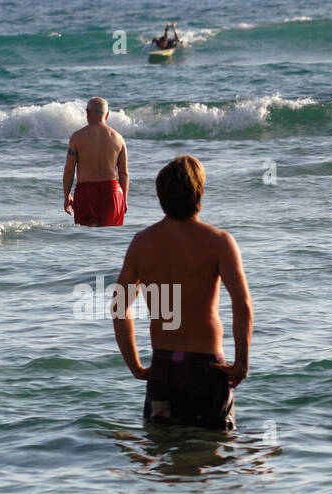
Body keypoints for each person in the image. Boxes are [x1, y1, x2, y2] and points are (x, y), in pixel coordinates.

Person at [113, 156, 253, 431]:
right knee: (213, 456)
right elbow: (242, 304)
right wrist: (241, 363)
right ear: (199, 193)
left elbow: (119, 308)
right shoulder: (219, 242)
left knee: (164, 459)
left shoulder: (142, 243)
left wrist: (135, 365)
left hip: (163, 369)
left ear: (160, 196)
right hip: (207, 369)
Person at [63, 97, 128, 227]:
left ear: (87, 113)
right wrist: (123, 201)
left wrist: (67, 195)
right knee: (110, 238)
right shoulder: (118, 139)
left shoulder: (77, 137)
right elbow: (124, 174)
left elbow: (69, 170)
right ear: (107, 115)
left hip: (85, 193)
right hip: (112, 192)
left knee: (86, 241)